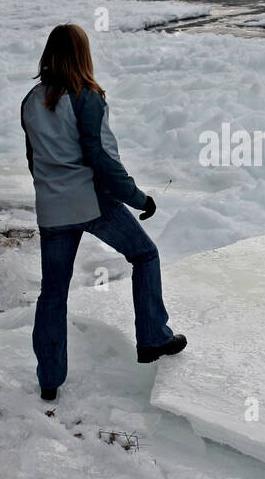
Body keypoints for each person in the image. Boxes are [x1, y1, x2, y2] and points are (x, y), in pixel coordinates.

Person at [21, 22, 185, 400]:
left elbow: (34, 160)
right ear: (83, 53)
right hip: (92, 203)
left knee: (52, 293)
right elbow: (102, 159)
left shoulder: (30, 100)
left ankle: (49, 379)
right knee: (145, 255)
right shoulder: (86, 96)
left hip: (52, 209)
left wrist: (50, 194)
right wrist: (138, 197)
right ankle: (153, 338)